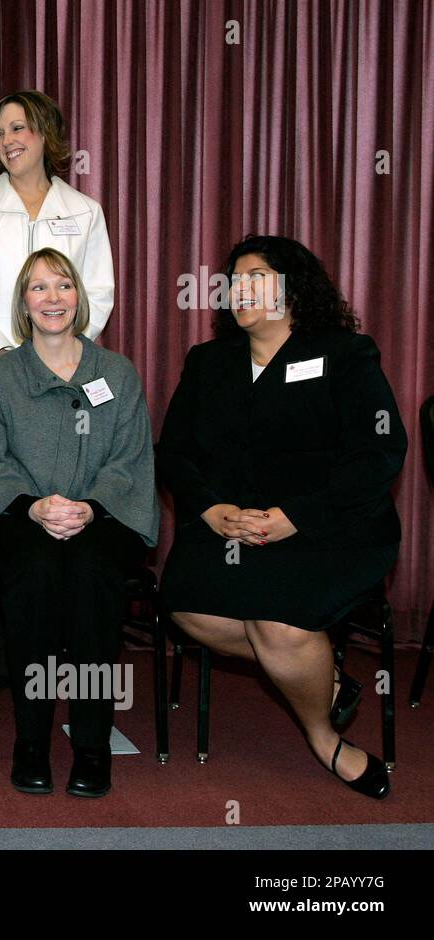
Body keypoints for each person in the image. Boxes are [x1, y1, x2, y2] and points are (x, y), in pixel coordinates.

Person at [157, 235, 405, 799]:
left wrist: (297, 516)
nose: (239, 288)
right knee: (186, 605)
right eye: (233, 280)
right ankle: (328, 678)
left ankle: (323, 736)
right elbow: (174, 452)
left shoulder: (345, 354)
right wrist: (213, 509)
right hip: (233, 528)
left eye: (256, 277)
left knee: (278, 623)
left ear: (294, 288)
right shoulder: (209, 362)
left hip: (331, 529)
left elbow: (380, 453)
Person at [0, 248, 158, 798]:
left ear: (80, 296)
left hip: (104, 513)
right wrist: (34, 505)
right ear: (23, 301)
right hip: (17, 514)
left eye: (63, 285)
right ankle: (32, 739)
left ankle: (93, 742)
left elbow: (129, 458)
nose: (53, 298)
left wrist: (90, 506)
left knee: (94, 572)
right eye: (39, 288)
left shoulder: (116, 373)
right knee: (37, 570)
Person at [0, 90, 114, 478]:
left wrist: (52, 357)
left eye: (18, 128)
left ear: (45, 133)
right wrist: (3, 355)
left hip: (64, 377)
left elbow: (97, 296)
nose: (7, 142)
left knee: (60, 494)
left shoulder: (86, 212)